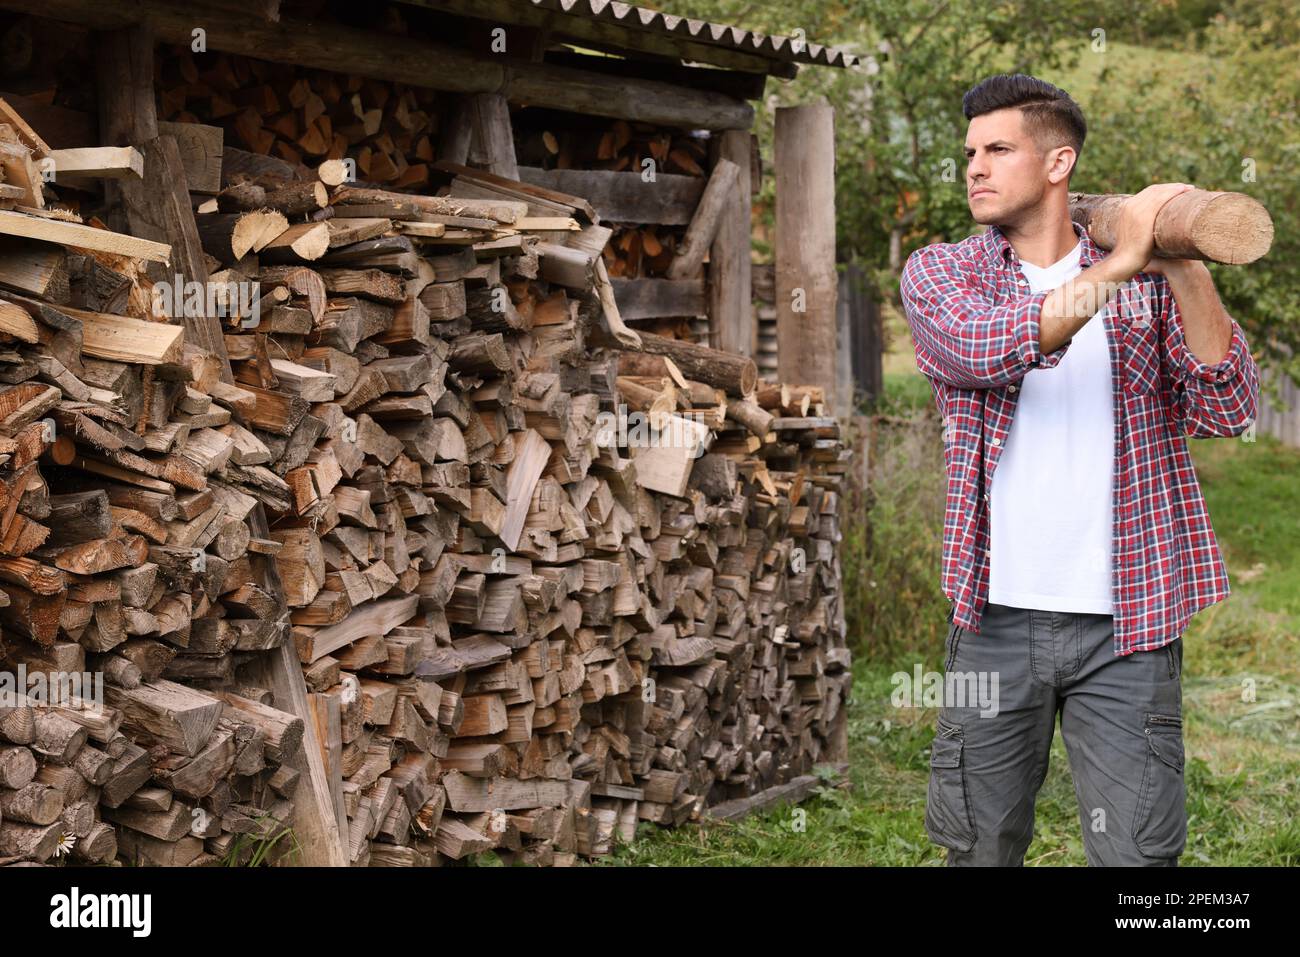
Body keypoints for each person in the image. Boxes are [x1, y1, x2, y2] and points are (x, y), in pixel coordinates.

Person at [900, 73, 1259, 866]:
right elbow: (982, 349)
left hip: (1130, 624)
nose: (974, 167)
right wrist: (1125, 257)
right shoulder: (943, 273)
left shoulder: (1146, 285)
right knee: (978, 849)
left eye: (998, 149)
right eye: (971, 151)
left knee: (1139, 858)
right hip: (992, 619)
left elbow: (1228, 407)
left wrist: (1179, 260)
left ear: (1058, 162)